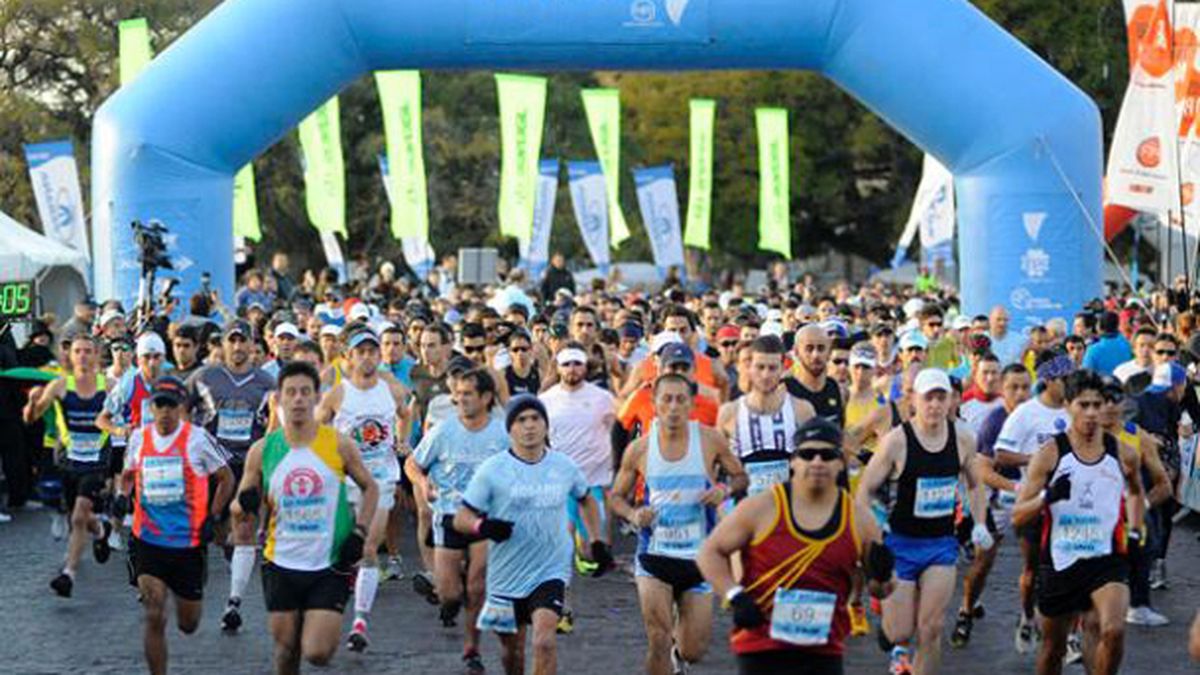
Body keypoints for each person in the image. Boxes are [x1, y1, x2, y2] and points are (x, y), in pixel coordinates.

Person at [698, 417, 896, 675]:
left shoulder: (859, 519)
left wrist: (881, 576)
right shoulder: (762, 507)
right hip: (762, 645)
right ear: (793, 461)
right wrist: (735, 596)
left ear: (841, 463)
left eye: (827, 455)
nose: (817, 462)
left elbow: (881, 590)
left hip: (824, 648)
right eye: (807, 454)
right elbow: (709, 552)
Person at [231, 361, 379, 675]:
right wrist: (245, 501)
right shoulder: (263, 449)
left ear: (316, 398)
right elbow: (242, 496)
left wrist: (360, 532)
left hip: (329, 563)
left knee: (317, 652)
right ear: (280, 399)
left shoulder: (338, 444)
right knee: (286, 649)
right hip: (280, 562)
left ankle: (316, 626)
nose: (298, 399)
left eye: (305, 392)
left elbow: (371, 488)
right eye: (291, 393)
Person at [453, 395, 614, 675]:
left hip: (550, 569)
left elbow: (586, 498)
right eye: (521, 420)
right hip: (507, 573)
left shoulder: (563, 466)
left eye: (536, 419)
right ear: (510, 429)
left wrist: (596, 539)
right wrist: (483, 527)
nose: (529, 426)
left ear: (546, 425)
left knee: (544, 642)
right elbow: (461, 518)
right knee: (512, 653)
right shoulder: (492, 470)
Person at [855, 368, 992, 675]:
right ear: (914, 400)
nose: (934, 405)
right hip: (900, 544)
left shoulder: (963, 438)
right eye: (928, 397)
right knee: (901, 631)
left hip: (941, 544)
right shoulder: (896, 442)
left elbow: (974, 484)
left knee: (931, 629)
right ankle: (893, 637)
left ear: (951, 401)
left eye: (941, 397)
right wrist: (871, 542)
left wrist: (980, 522)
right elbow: (864, 490)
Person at [610, 373, 748, 675]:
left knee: (692, 651)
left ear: (691, 404)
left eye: (680, 399)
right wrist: (634, 515)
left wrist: (722, 490)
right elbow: (616, 497)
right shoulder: (640, 449)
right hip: (654, 555)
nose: (673, 407)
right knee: (657, 638)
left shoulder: (711, 440)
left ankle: (678, 649)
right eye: (666, 399)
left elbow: (740, 477)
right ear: (655, 404)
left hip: (699, 558)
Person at [1011, 369, 1145, 675]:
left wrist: (1135, 532)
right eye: (1083, 405)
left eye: (1097, 405)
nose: (1092, 413)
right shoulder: (1049, 455)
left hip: (1106, 558)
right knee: (1053, 650)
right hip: (1060, 560)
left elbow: (1136, 493)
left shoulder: (1124, 454)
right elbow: (1018, 515)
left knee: (1112, 631)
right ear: (1068, 405)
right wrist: (1047, 497)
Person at [116, 375, 234, 675]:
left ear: (181, 407)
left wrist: (214, 515)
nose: (165, 412)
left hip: (188, 545)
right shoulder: (139, 438)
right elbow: (128, 473)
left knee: (188, 624)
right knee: (154, 614)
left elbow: (226, 478)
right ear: (151, 407)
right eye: (160, 405)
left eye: (171, 405)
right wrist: (121, 496)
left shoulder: (196, 439)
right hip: (148, 541)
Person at [314, 326, 409, 651]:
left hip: (381, 478)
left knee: (370, 546)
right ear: (349, 356)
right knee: (341, 547)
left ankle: (359, 622)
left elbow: (406, 413)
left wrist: (402, 439)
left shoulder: (392, 389)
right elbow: (318, 427)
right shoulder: (337, 393)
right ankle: (337, 593)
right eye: (361, 351)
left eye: (372, 351)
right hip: (347, 479)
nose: (367, 357)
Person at [411, 368, 510, 674]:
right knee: (451, 594)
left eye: (468, 394)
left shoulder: (501, 432)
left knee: (478, 585)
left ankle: (472, 648)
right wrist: (423, 483)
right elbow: (413, 464)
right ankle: (450, 598)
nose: (461, 399)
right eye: (459, 394)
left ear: (486, 397)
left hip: (484, 518)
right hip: (449, 517)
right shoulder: (443, 431)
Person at [187, 319, 276, 632]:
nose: (238, 348)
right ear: (222, 345)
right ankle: (228, 552)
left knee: (244, 529)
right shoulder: (204, 377)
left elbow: (275, 426)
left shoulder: (267, 382)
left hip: (248, 464)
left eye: (244, 341)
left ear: (254, 346)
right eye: (232, 341)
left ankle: (233, 603)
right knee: (217, 534)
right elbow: (180, 410)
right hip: (210, 465)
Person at [993, 349, 1073, 653]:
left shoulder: (1075, 411)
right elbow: (1001, 454)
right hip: (1035, 501)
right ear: (1049, 380)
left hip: (1068, 505)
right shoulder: (1026, 413)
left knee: (1070, 567)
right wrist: (1039, 460)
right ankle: (1026, 616)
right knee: (1032, 570)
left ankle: (1068, 636)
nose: (1070, 383)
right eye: (1065, 379)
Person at [23, 334, 112, 597]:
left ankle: (68, 575)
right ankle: (101, 530)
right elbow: (32, 417)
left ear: (96, 356)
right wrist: (31, 402)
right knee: (81, 517)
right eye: (77, 351)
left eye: (88, 351)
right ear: (70, 357)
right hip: (69, 461)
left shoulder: (109, 385)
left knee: (77, 515)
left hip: (97, 461)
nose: (83, 356)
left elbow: (131, 415)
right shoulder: (60, 386)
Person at [951, 363, 1032, 648]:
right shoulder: (994, 421)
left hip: (1031, 501)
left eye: (1025, 387)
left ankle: (1027, 616)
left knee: (1033, 563)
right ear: (1003, 390)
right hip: (998, 500)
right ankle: (966, 610)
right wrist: (1015, 487)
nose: (1021, 393)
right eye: (1013, 387)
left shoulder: (1038, 416)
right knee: (984, 561)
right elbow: (983, 471)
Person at [538, 344, 617, 576]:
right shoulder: (545, 400)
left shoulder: (602, 397)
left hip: (592, 479)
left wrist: (615, 461)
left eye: (577, 364)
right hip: (559, 479)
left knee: (589, 549)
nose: (572, 369)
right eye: (566, 364)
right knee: (561, 540)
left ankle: (584, 554)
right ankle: (559, 589)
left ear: (585, 367)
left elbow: (615, 430)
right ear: (559, 368)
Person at [717, 335, 815, 498]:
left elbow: (814, 463)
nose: (765, 375)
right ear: (749, 367)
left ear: (783, 368)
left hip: (790, 508)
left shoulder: (802, 409)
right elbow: (716, 467)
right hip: (745, 511)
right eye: (760, 367)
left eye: (772, 368)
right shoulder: (729, 412)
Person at [787, 325, 844, 427]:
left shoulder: (835, 388)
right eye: (809, 349)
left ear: (829, 352)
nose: (815, 355)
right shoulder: (784, 390)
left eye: (821, 348)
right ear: (796, 352)